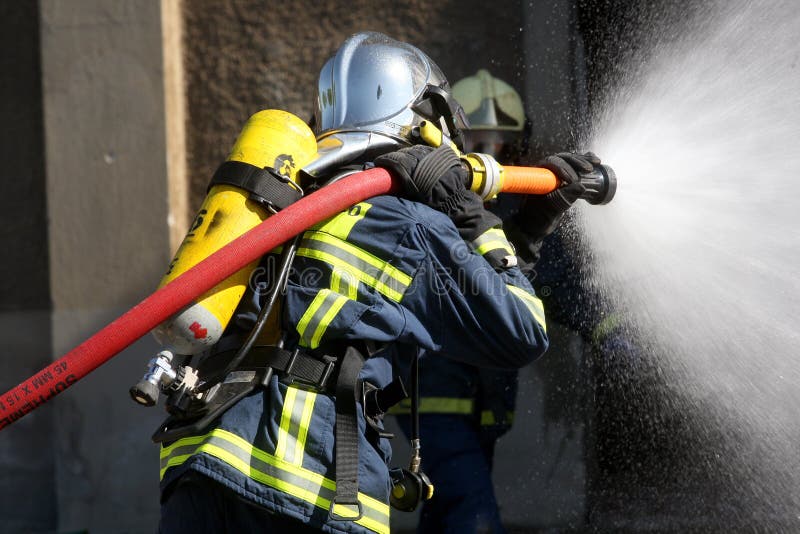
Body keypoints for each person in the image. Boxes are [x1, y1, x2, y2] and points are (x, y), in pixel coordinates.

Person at [155, 32, 587, 534]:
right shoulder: (406, 224)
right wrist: (476, 219)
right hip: (305, 485)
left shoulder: (283, 197)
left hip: (200, 466)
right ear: (422, 121)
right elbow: (522, 329)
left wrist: (528, 229)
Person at [389, 69, 596, 533]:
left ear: (519, 147)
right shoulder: (432, 206)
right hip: (434, 400)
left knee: (447, 508)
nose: (491, 154)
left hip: (485, 408)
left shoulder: (509, 213)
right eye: (478, 140)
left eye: (501, 142)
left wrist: (611, 328)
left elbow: (555, 286)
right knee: (473, 516)